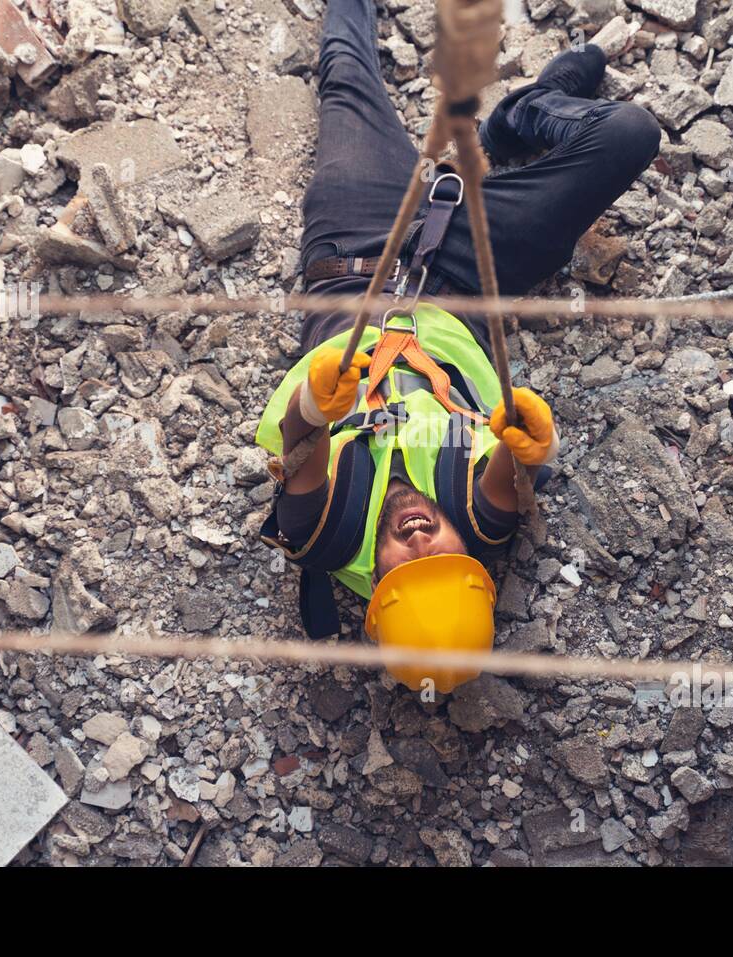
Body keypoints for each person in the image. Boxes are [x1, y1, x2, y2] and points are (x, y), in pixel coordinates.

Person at [254, 0, 661, 685]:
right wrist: (532, 444)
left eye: (406, 568)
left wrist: (316, 406)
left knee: (348, 76)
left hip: (353, 250)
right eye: (441, 556)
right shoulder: (477, 520)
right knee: (628, 133)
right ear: (470, 561)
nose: (420, 540)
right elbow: (512, 476)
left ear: (375, 589)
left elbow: (300, 447)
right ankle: (531, 110)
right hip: (465, 273)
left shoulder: (327, 531)